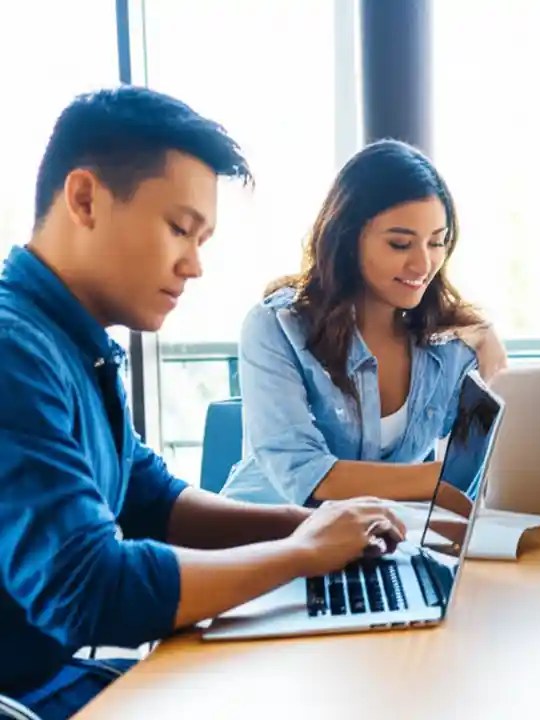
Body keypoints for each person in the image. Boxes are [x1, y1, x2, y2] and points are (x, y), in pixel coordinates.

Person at [0, 87, 406, 720]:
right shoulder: (12, 353)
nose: (193, 265)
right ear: (84, 199)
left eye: (202, 239)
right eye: (179, 229)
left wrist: (313, 527)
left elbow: (152, 501)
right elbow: (89, 591)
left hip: (51, 679)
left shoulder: (74, 343)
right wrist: (301, 555)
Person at [220, 139, 507, 508]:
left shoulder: (451, 344)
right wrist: (446, 477)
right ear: (348, 238)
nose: (423, 265)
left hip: (376, 543)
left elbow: (492, 467)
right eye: (400, 245)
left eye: (437, 242)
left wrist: (489, 346)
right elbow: (305, 474)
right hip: (266, 537)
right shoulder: (276, 327)